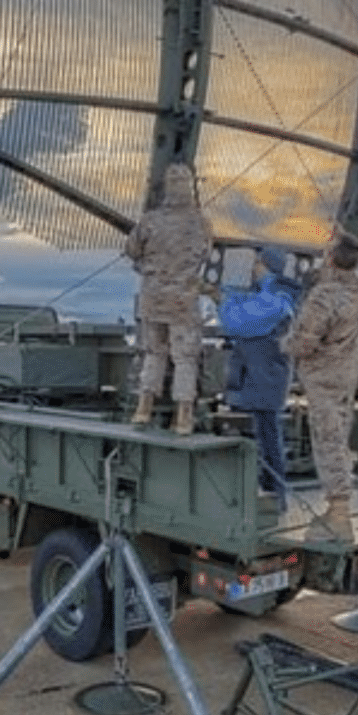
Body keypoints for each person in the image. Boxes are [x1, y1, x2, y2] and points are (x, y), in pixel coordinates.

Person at [124, 162, 213, 434]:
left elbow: (131, 250)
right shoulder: (201, 223)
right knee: (185, 358)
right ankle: (184, 417)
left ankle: (143, 408)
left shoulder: (150, 220)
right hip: (183, 301)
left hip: (152, 298)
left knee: (153, 353)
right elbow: (205, 254)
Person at [288, 235, 358, 541]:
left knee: (327, 438)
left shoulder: (324, 296)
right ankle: (339, 505)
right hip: (345, 372)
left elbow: (305, 342)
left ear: (331, 259)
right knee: (339, 433)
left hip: (322, 374)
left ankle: (338, 512)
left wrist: (286, 344)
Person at [215, 246, 303, 509]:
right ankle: (270, 489)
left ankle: (277, 494)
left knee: (269, 436)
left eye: (256, 264)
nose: (252, 268)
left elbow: (236, 322)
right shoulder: (270, 294)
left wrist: (223, 300)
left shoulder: (277, 299)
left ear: (266, 266)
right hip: (260, 375)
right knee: (265, 434)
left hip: (265, 377)